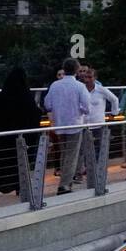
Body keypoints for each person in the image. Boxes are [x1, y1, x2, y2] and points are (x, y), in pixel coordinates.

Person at [0, 67, 44, 197]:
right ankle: (19, 186)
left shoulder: (4, 97)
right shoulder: (25, 97)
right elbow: (33, 113)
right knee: (18, 162)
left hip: (0, 139)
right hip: (18, 140)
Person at [44, 58, 90, 194]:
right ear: (76, 70)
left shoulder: (55, 85)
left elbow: (47, 104)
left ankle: (65, 180)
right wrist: (79, 111)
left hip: (59, 124)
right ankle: (64, 185)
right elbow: (87, 107)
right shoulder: (80, 87)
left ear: (64, 69)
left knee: (64, 153)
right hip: (75, 124)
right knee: (72, 154)